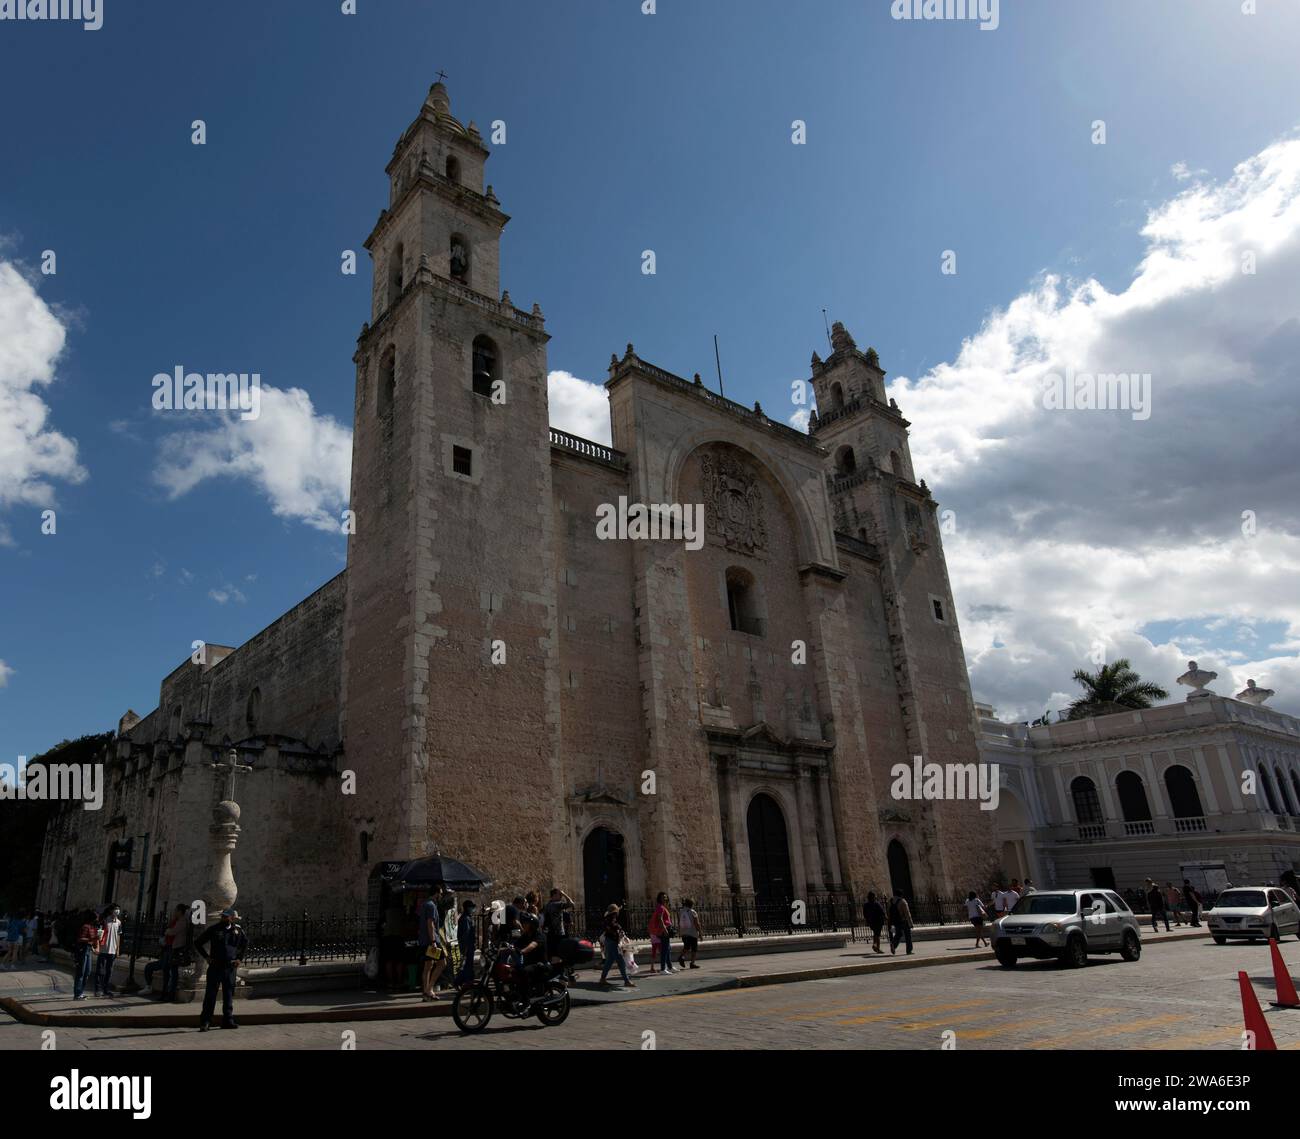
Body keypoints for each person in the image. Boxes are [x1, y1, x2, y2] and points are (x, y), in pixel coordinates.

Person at [194, 907, 248, 1031]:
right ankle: (206, 1021)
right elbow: (198, 942)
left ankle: (228, 1020)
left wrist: (239, 958)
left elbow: (245, 944)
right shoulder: (214, 929)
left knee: (228, 994)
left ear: (231, 918)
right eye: (222, 916)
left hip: (230, 967)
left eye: (226, 916)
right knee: (210, 995)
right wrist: (206, 957)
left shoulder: (237, 930)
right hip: (215, 966)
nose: (223, 918)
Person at [144, 904, 189, 999]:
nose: (174, 912)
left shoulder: (182, 921)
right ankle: (165, 992)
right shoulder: (176, 921)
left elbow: (172, 931)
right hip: (169, 948)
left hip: (175, 949)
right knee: (166, 970)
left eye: (176, 911)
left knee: (172, 971)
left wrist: (168, 931)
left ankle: (170, 993)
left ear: (180, 912)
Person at [418, 885, 449, 1001]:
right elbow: (430, 923)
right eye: (440, 893)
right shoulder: (431, 906)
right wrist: (433, 941)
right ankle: (429, 989)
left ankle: (426, 993)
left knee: (428, 966)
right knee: (442, 963)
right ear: (435, 893)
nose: (441, 895)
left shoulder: (425, 905)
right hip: (431, 940)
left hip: (424, 940)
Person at [597, 904, 635, 989]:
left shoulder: (610, 919)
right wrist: (619, 931)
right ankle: (626, 981)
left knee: (609, 961)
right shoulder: (610, 920)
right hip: (612, 942)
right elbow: (613, 929)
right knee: (620, 961)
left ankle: (602, 979)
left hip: (610, 941)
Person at [93, 904, 122, 997]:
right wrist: (97, 946)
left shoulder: (119, 923)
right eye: (115, 909)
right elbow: (99, 934)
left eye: (118, 909)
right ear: (111, 911)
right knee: (100, 970)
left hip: (112, 951)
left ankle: (106, 989)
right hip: (103, 949)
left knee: (109, 971)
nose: (117, 911)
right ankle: (97, 989)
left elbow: (118, 936)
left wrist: (118, 949)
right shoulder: (105, 921)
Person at [72, 909, 100, 1000]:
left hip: (88, 950)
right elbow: (80, 939)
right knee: (81, 973)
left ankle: (81, 992)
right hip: (83, 950)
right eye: (96, 918)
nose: (98, 919)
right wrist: (91, 939)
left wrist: (96, 942)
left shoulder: (93, 928)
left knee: (87, 972)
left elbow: (94, 940)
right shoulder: (86, 927)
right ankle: (77, 994)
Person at [541, 888, 573, 963]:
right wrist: (565, 894)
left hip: (550, 932)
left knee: (552, 953)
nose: (561, 896)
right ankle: (558, 970)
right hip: (558, 933)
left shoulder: (547, 905)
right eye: (560, 895)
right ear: (554, 895)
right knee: (559, 954)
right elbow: (571, 904)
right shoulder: (557, 904)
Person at [649, 892, 674, 974]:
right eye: (663, 897)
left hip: (665, 929)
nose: (665, 899)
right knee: (664, 950)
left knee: (667, 949)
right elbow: (660, 919)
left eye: (666, 897)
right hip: (664, 931)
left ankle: (669, 967)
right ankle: (663, 969)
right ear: (659, 898)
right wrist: (665, 929)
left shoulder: (662, 907)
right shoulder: (660, 907)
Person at [455, 899, 477, 987]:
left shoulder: (466, 918)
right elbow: (466, 934)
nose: (472, 909)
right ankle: (462, 982)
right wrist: (466, 947)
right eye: (471, 907)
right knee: (467, 965)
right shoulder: (465, 919)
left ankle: (465, 981)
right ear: (467, 908)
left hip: (468, 945)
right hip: (468, 945)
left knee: (468, 965)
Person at [677, 898, 702, 969]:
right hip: (692, 933)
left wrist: (680, 932)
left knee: (686, 946)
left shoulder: (681, 911)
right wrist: (700, 933)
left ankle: (681, 956)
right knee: (694, 948)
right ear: (691, 904)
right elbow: (697, 923)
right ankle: (692, 963)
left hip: (684, 933)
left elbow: (680, 922)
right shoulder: (693, 912)